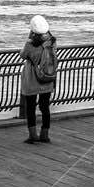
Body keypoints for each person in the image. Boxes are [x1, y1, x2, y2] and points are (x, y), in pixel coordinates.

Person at [20, 15, 57, 144]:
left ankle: (32, 135)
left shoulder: (30, 44)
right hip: (47, 77)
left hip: (32, 78)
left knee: (30, 107)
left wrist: (29, 38)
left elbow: (23, 55)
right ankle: (45, 134)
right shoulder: (52, 42)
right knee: (45, 107)